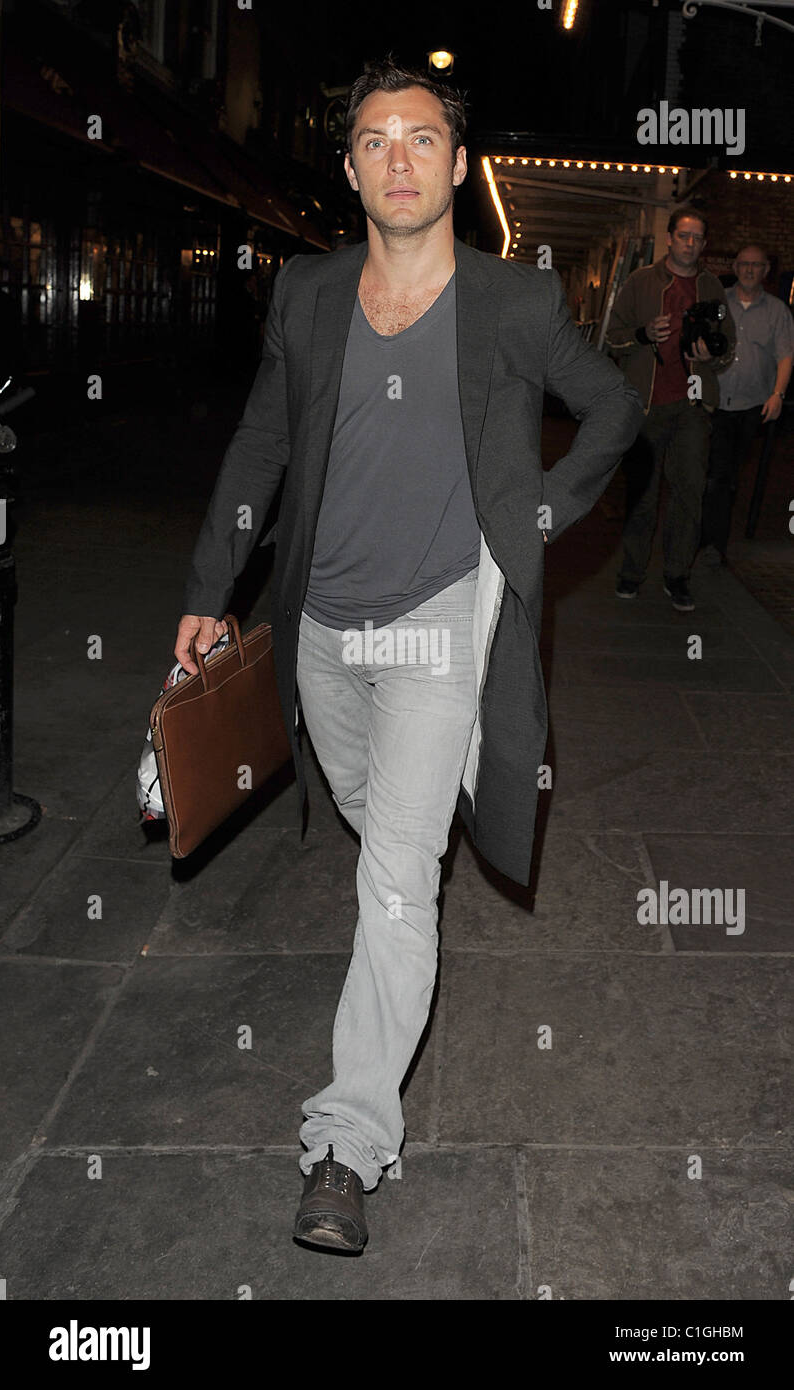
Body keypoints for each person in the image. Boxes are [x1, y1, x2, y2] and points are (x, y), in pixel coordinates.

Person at [173, 57, 643, 1254]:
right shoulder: (309, 295)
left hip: (441, 620)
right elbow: (261, 446)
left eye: (421, 138)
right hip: (322, 626)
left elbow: (616, 409)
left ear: (459, 161)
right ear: (349, 170)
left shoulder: (515, 304)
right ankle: (410, 883)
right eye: (375, 140)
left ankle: (346, 1138)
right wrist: (207, 589)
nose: (399, 158)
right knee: (375, 815)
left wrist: (538, 512)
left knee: (391, 877)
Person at [606, 208, 736, 611]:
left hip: (693, 407)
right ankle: (631, 571)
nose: (690, 244)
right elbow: (613, 336)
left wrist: (710, 356)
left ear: (704, 243)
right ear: (669, 238)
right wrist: (644, 334)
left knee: (688, 494)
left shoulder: (712, 286)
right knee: (642, 494)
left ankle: (677, 575)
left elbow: (727, 345)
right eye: (683, 236)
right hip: (647, 405)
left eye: (697, 238)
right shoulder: (642, 281)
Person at [700, 244, 793, 564]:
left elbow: (785, 355)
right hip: (715, 403)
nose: (749, 270)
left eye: (756, 265)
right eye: (744, 264)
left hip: (752, 405)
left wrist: (777, 395)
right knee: (716, 474)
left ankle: (710, 531)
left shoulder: (778, 311)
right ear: (735, 267)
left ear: (766, 271)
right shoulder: (718, 303)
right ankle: (712, 544)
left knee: (727, 473)